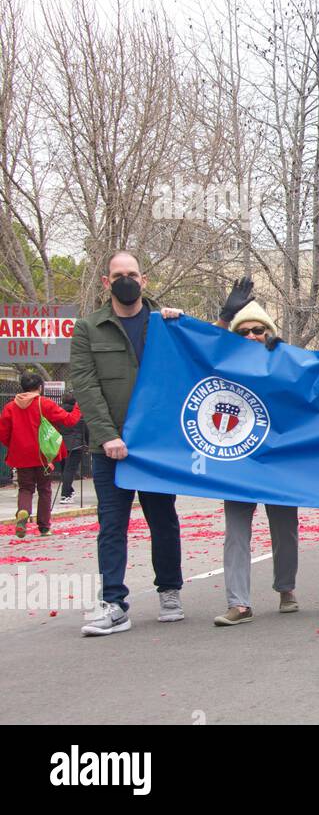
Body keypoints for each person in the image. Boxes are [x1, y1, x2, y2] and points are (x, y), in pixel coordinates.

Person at [164, 290, 303, 627]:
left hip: (277, 461)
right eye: (244, 331)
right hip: (238, 461)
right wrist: (209, 320)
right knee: (236, 532)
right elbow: (197, 351)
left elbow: (313, 381)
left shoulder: (285, 360)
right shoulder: (223, 362)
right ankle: (238, 603)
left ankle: (286, 589)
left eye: (259, 330)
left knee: (285, 529)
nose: (253, 336)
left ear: (269, 332)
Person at [71, 250, 185, 635]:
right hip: (111, 449)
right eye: (118, 274)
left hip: (156, 448)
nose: (126, 279)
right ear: (107, 282)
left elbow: (198, 362)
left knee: (163, 521)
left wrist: (186, 323)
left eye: (132, 273)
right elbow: (86, 387)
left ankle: (170, 590)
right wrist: (108, 436)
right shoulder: (88, 328)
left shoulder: (165, 323)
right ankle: (115, 603)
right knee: (112, 525)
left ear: (144, 280)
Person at [0, 373, 82, 537]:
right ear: (40, 387)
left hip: (21, 454)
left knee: (25, 488)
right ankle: (44, 527)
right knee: (44, 489)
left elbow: (3, 433)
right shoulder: (44, 403)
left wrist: (14, 445)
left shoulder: (10, 407)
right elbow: (69, 420)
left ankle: (23, 511)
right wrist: (79, 407)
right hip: (44, 454)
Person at [55, 393, 88, 506]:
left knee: (65, 469)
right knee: (70, 470)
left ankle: (69, 491)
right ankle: (65, 494)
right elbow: (85, 428)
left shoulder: (58, 411)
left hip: (61, 443)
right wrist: (87, 443)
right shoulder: (78, 412)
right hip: (75, 444)